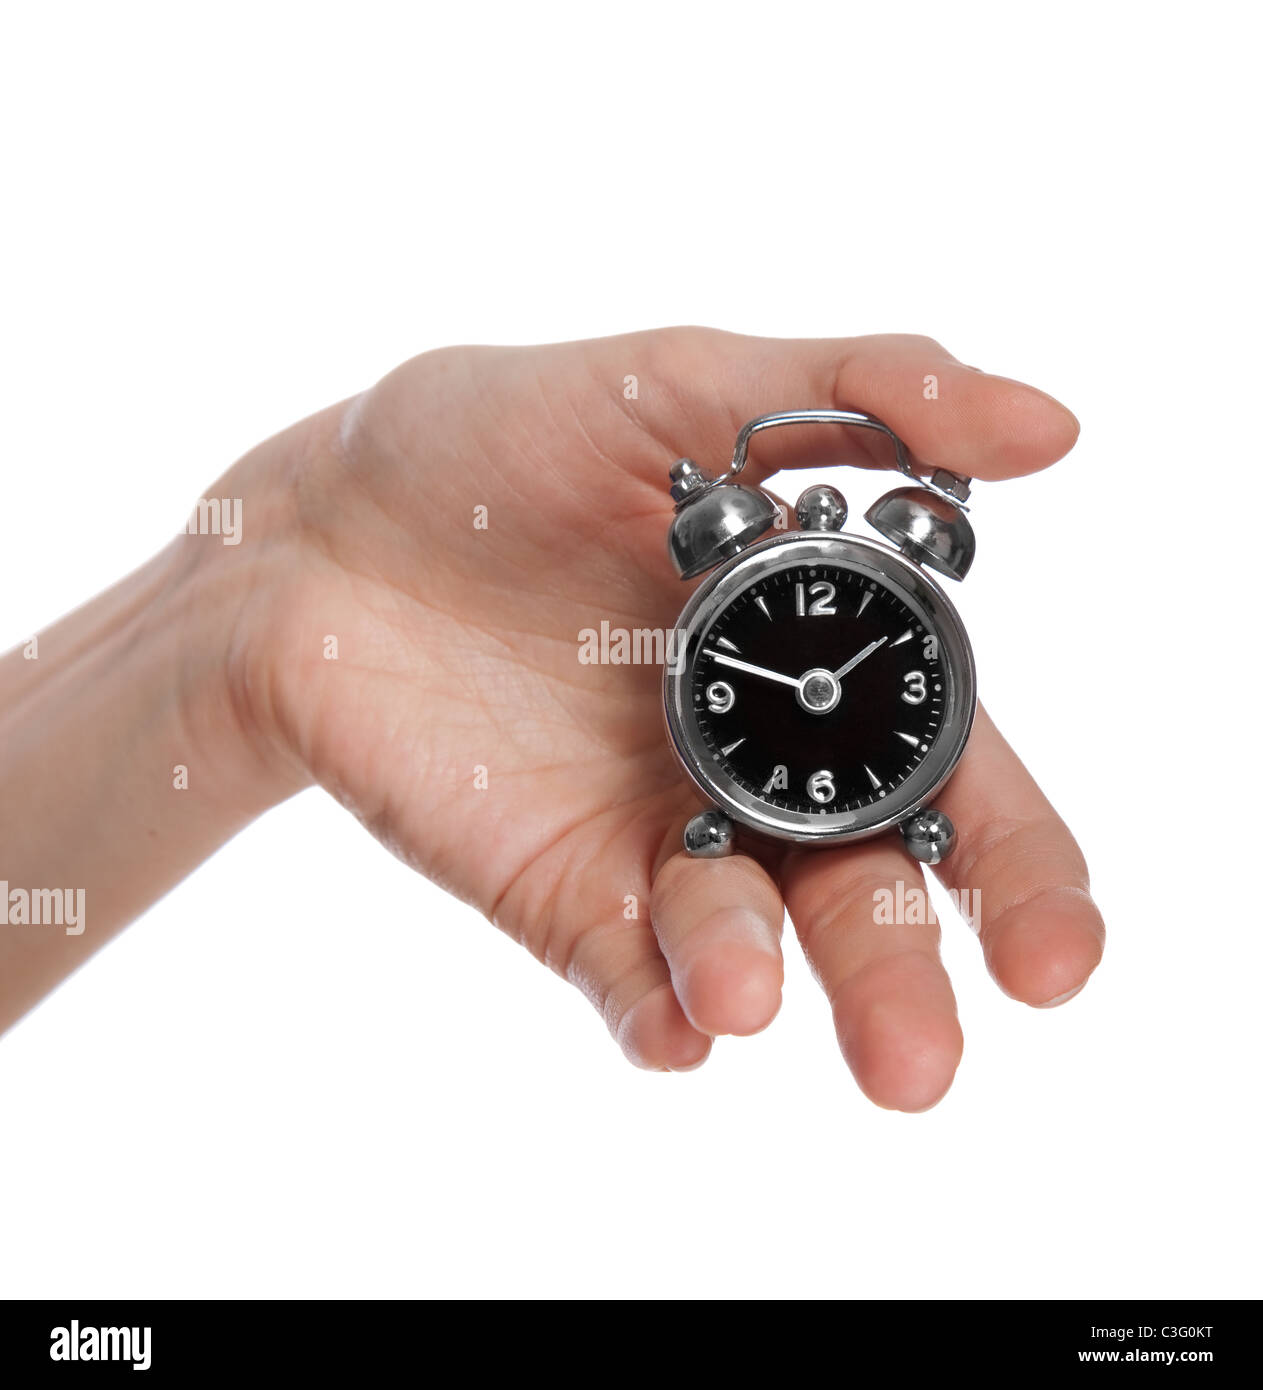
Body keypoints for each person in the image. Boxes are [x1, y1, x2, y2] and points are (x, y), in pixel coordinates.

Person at [0, 327, 1104, 1110]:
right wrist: (296, 546)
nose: (818, 690)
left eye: (838, 678)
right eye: (801, 680)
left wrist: (253, 597)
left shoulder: (908, 631)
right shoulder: (713, 623)